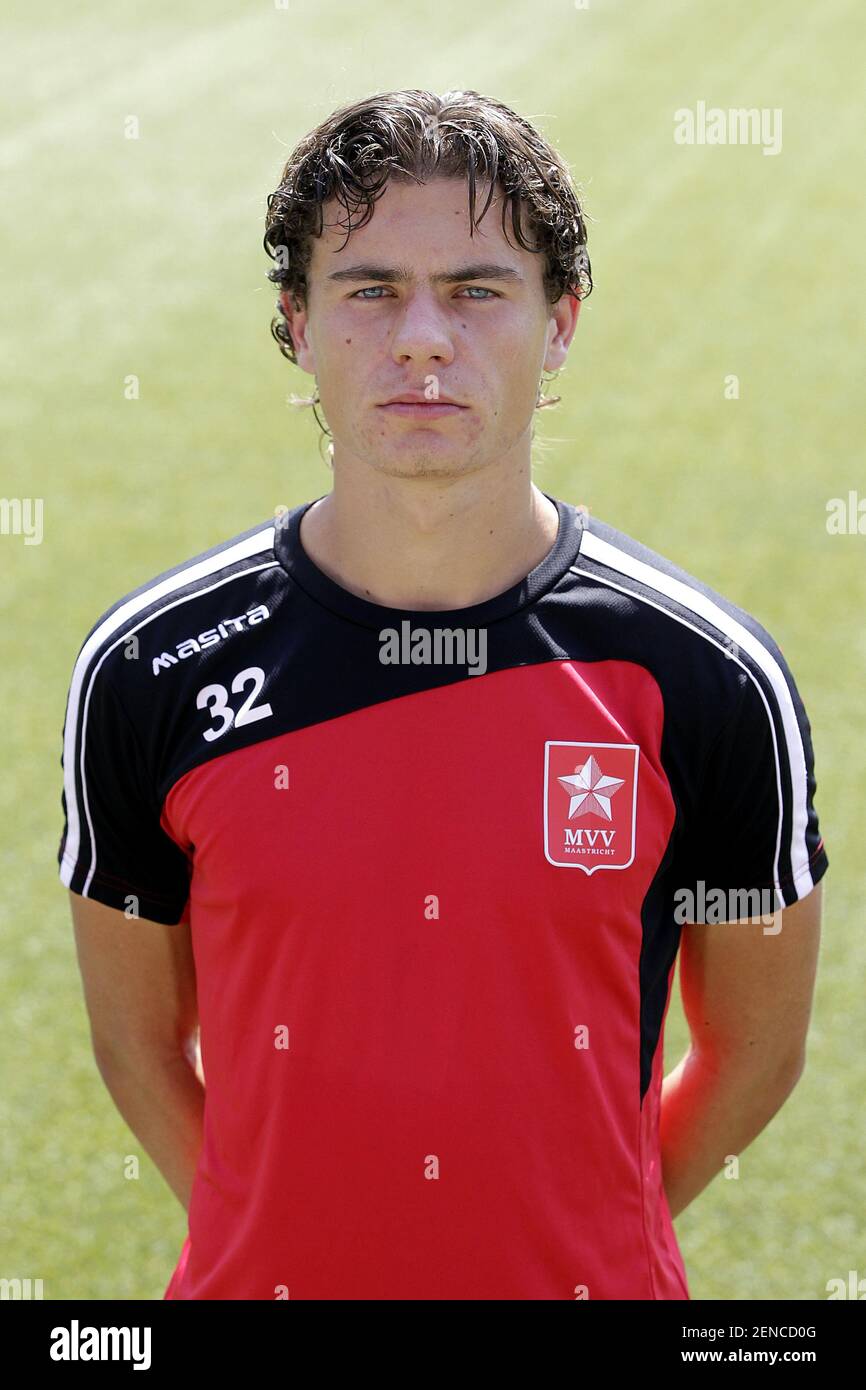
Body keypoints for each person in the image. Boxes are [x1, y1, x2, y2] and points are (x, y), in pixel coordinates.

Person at [58, 89, 828, 1301]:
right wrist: (276, 1230)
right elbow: (136, 1039)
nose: (422, 337)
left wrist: (580, 1227)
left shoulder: (708, 679)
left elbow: (756, 1050)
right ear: (295, 323)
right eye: (368, 290)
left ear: (558, 322)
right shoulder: (151, 668)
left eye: (476, 291)